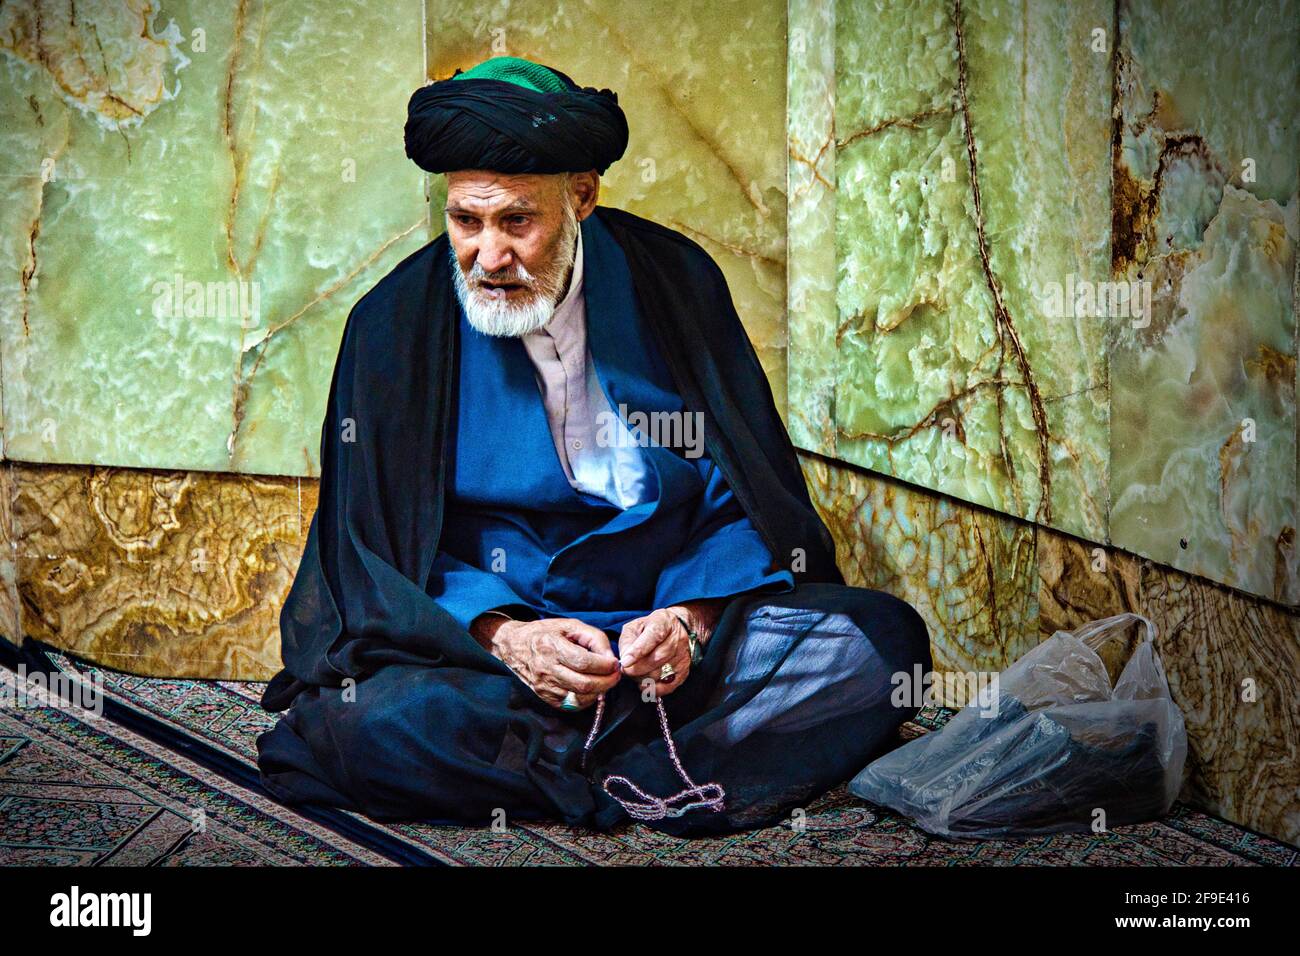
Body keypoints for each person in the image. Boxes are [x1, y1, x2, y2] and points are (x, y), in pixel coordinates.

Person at [255, 56, 931, 835]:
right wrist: (506, 635)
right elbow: (369, 556)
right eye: (466, 221)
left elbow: (746, 494)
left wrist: (689, 620)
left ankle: (571, 752)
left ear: (582, 196)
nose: (487, 255)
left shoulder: (674, 283)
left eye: (517, 221)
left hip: (661, 635)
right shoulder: (393, 326)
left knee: (883, 643)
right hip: (489, 657)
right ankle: (637, 757)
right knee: (366, 722)